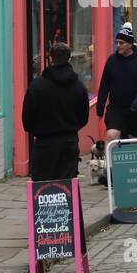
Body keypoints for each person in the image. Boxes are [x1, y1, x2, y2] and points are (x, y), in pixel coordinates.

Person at [21, 42, 90, 182]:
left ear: (50, 59)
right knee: (67, 188)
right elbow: (83, 117)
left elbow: (27, 118)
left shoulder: (37, 85)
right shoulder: (79, 86)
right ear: (69, 59)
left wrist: (36, 129)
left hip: (44, 144)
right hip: (69, 142)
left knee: (43, 189)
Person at [95, 22, 137, 143]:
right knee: (111, 135)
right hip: (116, 108)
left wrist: (136, 103)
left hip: (135, 110)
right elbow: (104, 85)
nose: (118, 45)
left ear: (130, 44)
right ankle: (108, 161)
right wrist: (100, 108)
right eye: (117, 42)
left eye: (121, 43)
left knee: (134, 141)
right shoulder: (112, 60)